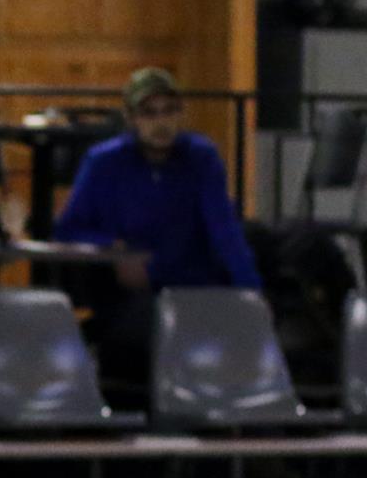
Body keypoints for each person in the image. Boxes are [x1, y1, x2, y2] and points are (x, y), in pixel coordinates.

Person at [53, 67, 261, 388]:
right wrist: (114, 248)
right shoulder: (104, 162)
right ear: (132, 119)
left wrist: (251, 291)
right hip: (133, 292)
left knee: (223, 321)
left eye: (169, 111)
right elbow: (68, 229)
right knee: (142, 325)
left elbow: (225, 229)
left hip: (193, 285)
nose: (160, 123)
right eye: (149, 113)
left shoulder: (201, 158)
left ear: (181, 115)